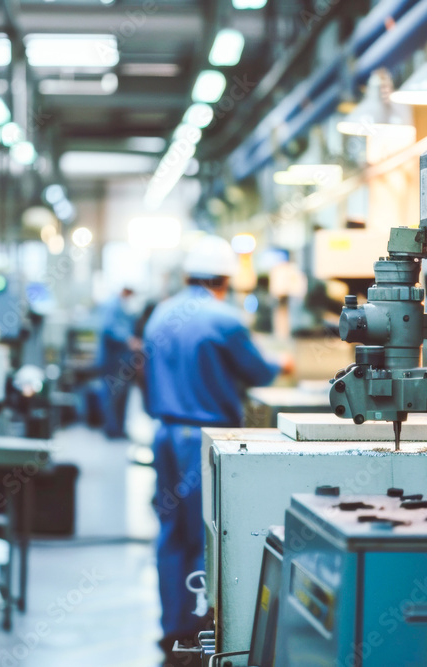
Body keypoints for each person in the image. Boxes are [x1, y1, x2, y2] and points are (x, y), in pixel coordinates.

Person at [144, 236, 289, 664]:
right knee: (206, 535)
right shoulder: (224, 319)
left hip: (166, 434)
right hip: (204, 441)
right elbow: (258, 371)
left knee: (172, 532)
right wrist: (285, 364)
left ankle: (173, 627)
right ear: (225, 280)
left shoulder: (160, 313)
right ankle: (202, 627)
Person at [96, 286, 142, 439]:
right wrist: (128, 339)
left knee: (122, 394)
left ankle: (119, 429)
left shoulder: (124, 306)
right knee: (112, 394)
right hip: (113, 360)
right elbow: (108, 328)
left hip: (124, 360)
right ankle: (112, 429)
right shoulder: (112, 305)